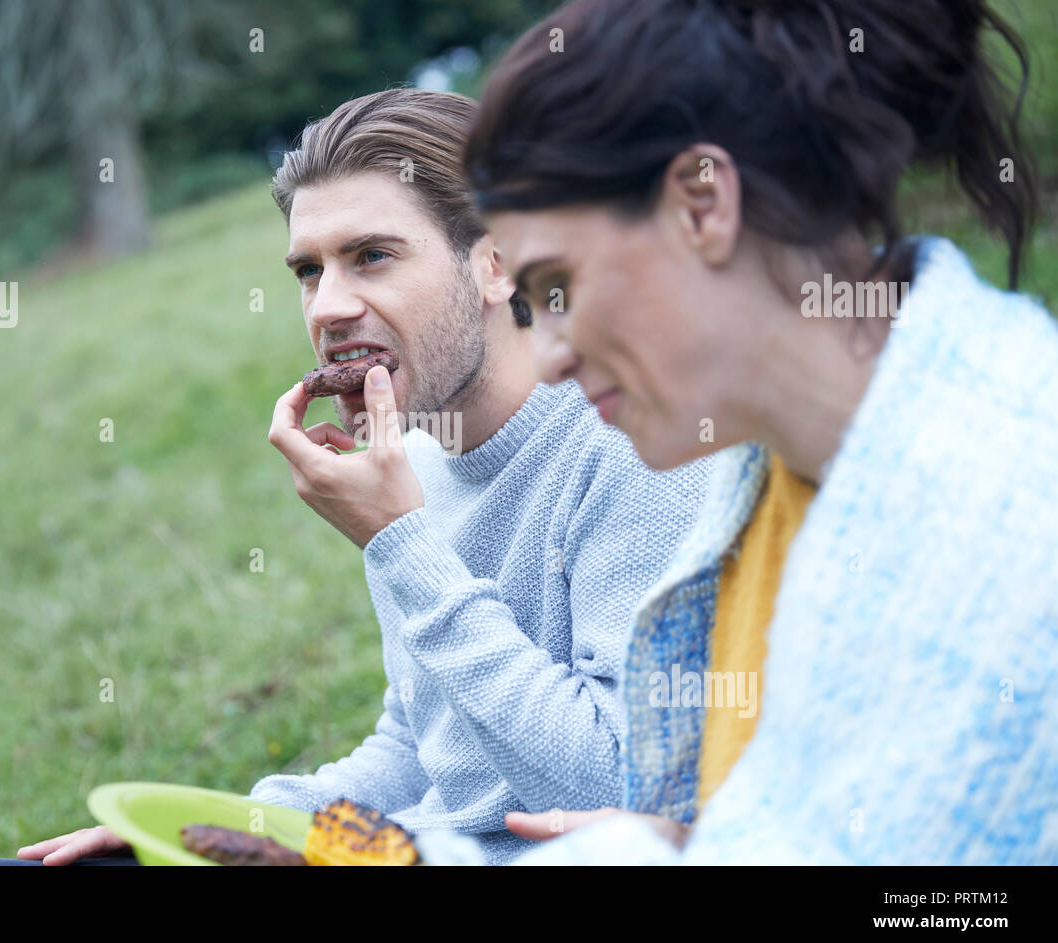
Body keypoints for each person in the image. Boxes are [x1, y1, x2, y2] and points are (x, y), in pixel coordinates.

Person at [0, 89, 711, 867]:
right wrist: (230, 824)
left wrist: (402, 543)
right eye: (309, 271)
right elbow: (420, 749)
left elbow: (619, 789)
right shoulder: (412, 464)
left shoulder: (633, 448)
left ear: (496, 263)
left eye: (372, 256)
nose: (330, 306)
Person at [452, 0, 1057, 864]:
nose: (547, 356)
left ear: (702, 203)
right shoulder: (770, 469)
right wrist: (687, 838)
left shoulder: (1002, 518)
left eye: (557, 288)